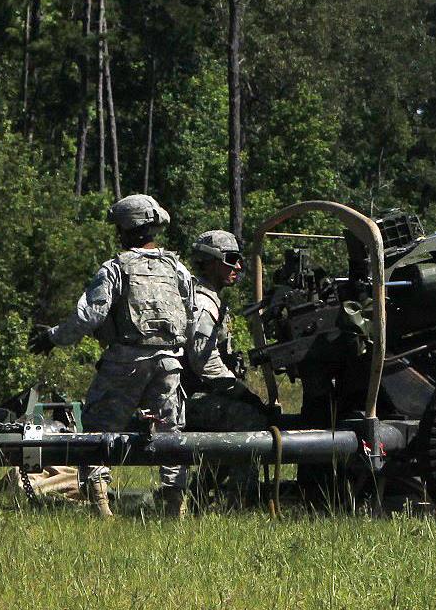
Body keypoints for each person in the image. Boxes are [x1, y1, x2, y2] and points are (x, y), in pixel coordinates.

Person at [29, 194, 192, 518]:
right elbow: (189, 310)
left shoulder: (115, 268)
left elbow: (90, 315)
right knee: (171, 436)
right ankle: (176, 509)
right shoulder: (176, 267)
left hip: (125, 362)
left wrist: (52, 337)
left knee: (95, 431)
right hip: (169, 362)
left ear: (124, 228)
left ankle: (101, 508)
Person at [178, 229, 273, 504]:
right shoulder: (203, 304)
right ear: (210, 262)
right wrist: (240, 392)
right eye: (231, 259)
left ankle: (200, 496)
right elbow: (204, 361)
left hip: (198, 394)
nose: (239, 266)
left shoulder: (208, 298)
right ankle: (241, 502)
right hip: (188, 399)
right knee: (248, 420)